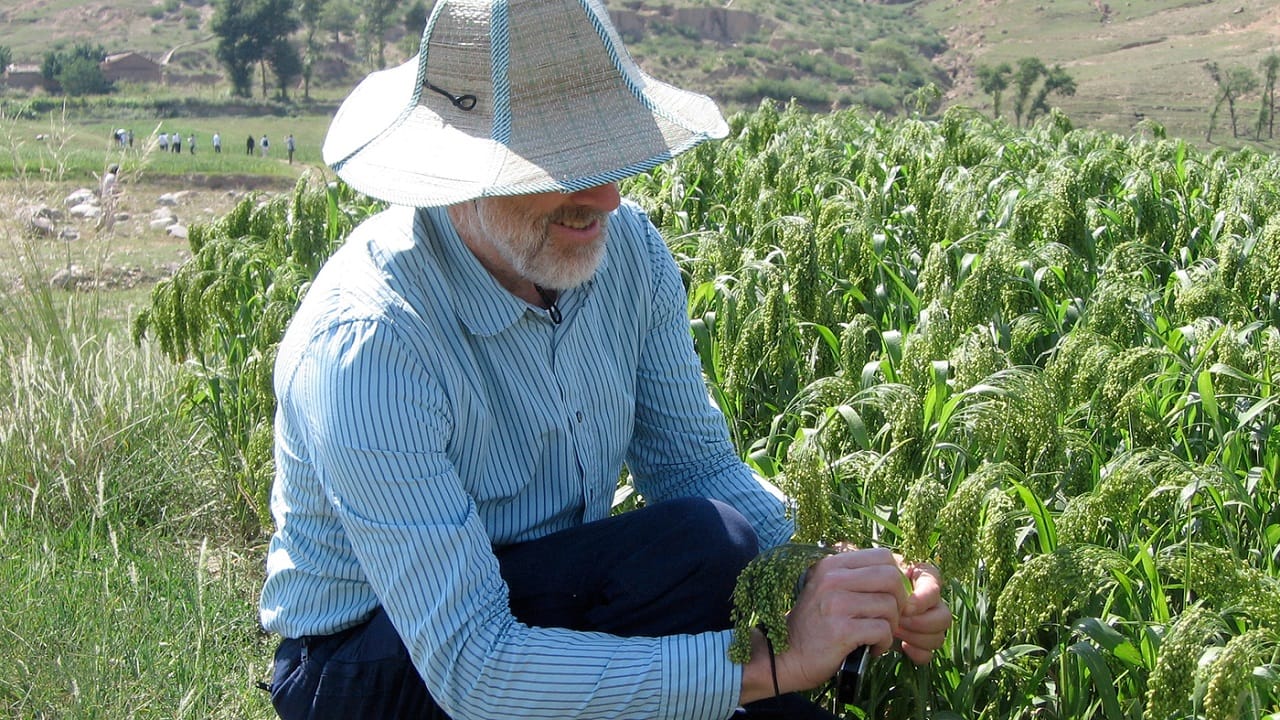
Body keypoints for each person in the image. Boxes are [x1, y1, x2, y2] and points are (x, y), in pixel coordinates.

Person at [259, 2, 951, 720]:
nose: (607, 196)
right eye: (560, 164)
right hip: (374, 659)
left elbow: (695, 468)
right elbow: (473, 667)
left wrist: (833, 579)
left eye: (609, 155)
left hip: (547, 596)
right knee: (737, 653)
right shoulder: (370, 341)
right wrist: (770, 664)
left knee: (711, 543)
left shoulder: (627, 256)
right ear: (461, 173)